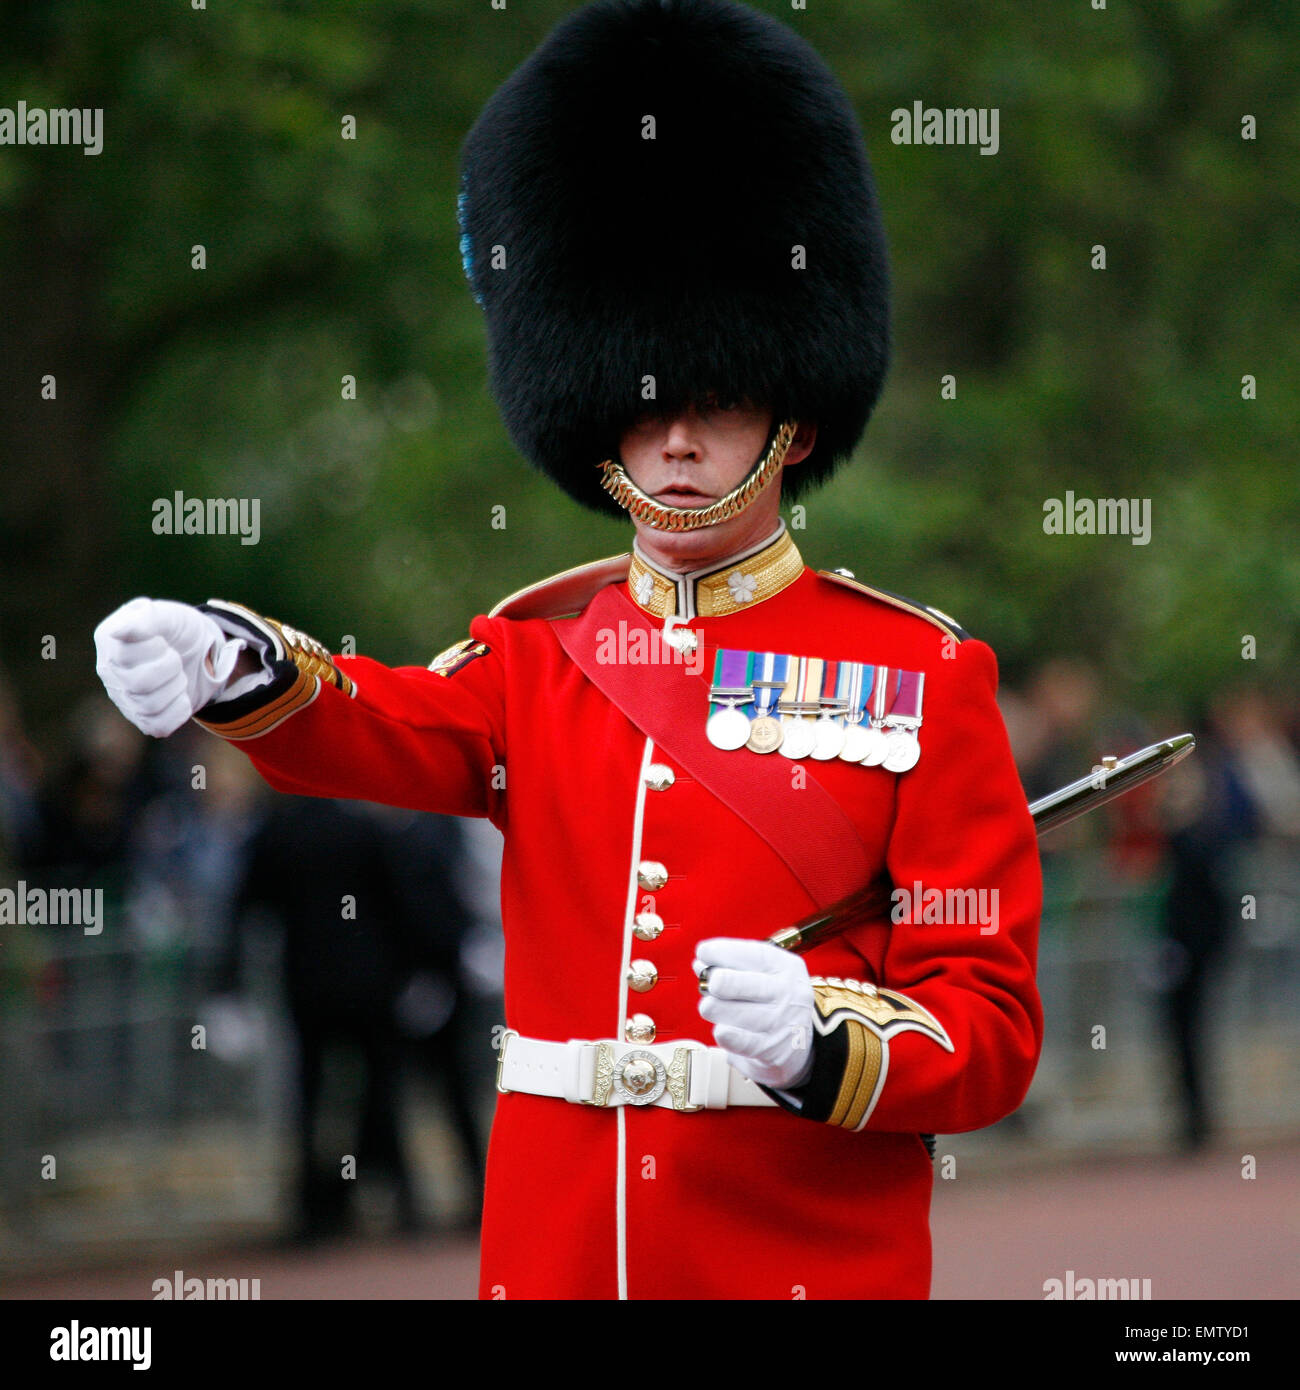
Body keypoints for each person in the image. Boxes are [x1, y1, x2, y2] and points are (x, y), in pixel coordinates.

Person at [93, 0, 1042, 1299]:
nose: (679, 444)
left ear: (795, 421)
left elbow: (988, 1022)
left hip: (801, 1254)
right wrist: (234, 661)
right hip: (557, 1250)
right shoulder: (541, 662)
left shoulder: (923, 678)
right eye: (643, 406)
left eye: (716, 401)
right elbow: (384, 721)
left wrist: (831, 1035)